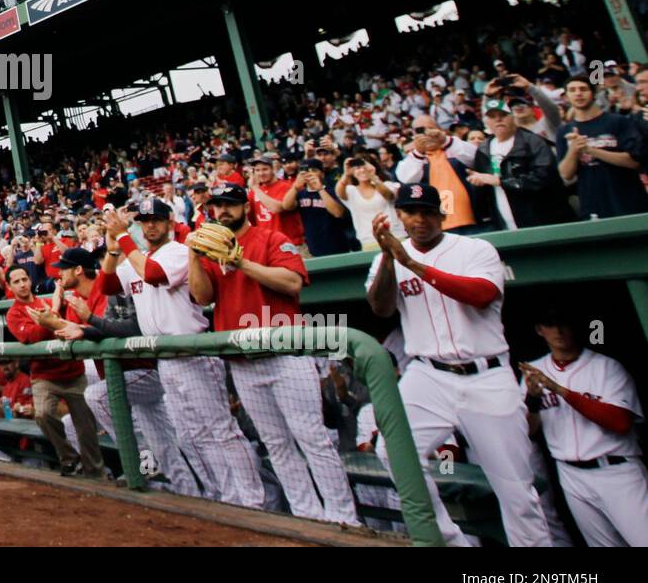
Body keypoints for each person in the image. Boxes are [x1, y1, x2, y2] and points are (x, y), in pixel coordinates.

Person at [365, 182, 550, 546]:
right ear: (399, 216)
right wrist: (389, 258)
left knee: (516, 492)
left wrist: (411, 263)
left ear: (441, 215)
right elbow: (381, 308)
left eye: (427, 212)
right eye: (411, 212)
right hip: (427, 374)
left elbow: (480, 296)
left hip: (486, 375)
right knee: (392, 450)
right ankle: (452, 541)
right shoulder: (386, 258)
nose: (419, 219)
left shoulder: (475, 248)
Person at [188, 184, 360, 524]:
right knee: (277, 444)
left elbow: (292, 282)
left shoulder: (270, 238)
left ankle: (343, 518)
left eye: (231, 205)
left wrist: (241, 263)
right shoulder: (212, 250)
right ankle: (306, 513)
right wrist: (194, 257)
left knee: (313, 439)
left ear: (246, 208)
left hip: (285, 356)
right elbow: (201, 296)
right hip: (243, 362)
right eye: (218, 206)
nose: (224, 212)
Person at [102, 197, 263, 506]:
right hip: (166, 359)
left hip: (193, 352)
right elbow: (107, 285)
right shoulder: (135, 257)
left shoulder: (178, 252)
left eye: (157, 219)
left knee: (221, 431)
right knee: (192, 435)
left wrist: (123, 237)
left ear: (170, 223)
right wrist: (112, 246)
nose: (150, 225)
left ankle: (252, 500)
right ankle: (223, 496)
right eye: (144, 220)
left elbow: (152, 274)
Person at [43, 246, 199, 497]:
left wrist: (87, 323)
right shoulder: (78, 300)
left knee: (98, 396)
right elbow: (79, 331)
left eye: (63, 269)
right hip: (128, 377)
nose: (59, 275)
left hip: (146, 370)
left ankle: (137, 462)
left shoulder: (106, 292)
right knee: (165, 447)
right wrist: (57, 318)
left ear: (79, 270)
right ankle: (191, 497)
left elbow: (116, 327)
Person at [519, 306, 647, 547]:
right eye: (549, 324)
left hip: (617, 471)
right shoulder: (533, 372)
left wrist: (560, 391)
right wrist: (533, 401)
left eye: (563, 323)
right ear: (539, 330)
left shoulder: (606, 367)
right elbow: (527, 433)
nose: (558, 331)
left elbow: (620, 423)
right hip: (571, 475)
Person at [4, 264, 105, 479]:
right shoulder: (14, 313)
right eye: (16, 281)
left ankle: (94, 471)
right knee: (43, 414)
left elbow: (68, 326)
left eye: (24, 279)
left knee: (85, 425)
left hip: (73, 371)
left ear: (30, 280)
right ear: (10, 286)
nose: (22, 284)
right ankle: (69, 458)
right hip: (45, 375)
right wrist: (52, 317)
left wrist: (52, 315)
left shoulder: (49, 302)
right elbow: (30, 336)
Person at [466, 98, 571, 229]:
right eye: (492, 117)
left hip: (542, 220)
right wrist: (478, 184)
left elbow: (544, 177)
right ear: (486, 122)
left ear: (511, 117)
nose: (498, 120)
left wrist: (501, 181)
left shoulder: (533, 142)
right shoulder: (483, 150)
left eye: (503, 115)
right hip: (505, 222)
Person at [557, 74, 647, 219]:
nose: (578, 93)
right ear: (566, 97)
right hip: (593, 203)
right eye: (572, 90)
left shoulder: (619, 121)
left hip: (628, 198)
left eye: (583, 89)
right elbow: (566, 174)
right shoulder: (564, 131)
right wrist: (573, 150)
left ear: (593, 93)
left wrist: (590, 150)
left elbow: (633, 161)